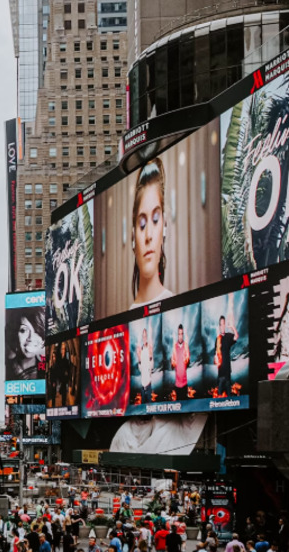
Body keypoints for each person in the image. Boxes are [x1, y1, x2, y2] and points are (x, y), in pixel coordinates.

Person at [130, 160, 173, 307]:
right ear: (133, 235)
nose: (149, 235)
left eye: (155, 220)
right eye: (142, 224)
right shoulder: (126, 317)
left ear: (164, 227)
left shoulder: (173, 304)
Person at [6, 310, 47, 381]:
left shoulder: (47, 369)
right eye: (23, 330)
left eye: (37, 332)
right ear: (14, 334)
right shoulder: (5, 368)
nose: (30, 338)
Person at [214, 315, 237, 396]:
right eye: (221, 324)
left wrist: (232, 327)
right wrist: (216, 359)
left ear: (225, 325)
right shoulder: (217, 339)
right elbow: (215, 354)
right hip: (220, 374)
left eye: (223, 324)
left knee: (229, 396)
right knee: (219, 397)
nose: (222, 326)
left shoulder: (228, 336)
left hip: (227, 373)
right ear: (219, 326)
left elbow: (236, 337)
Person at [171, 324, 190, 394]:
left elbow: (187, 361)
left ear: (183, 335)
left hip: (185, 384)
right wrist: (173, 361)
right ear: (177, 335)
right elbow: (172, 364)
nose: (180, 336)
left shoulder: (186, 346)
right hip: (177, 385)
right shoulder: (174, 347)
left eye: (182, 334)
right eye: (179, 334)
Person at [137, 325, 154, 401]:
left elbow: (151, 367)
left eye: (145, 336)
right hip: (142, 387)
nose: (144, 338)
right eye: (143, 336)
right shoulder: (141, 350)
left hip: (149, 386)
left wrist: (150, 356)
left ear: (147, 337)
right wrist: (139, 358)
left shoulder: (149, 349)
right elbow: (140, 369)